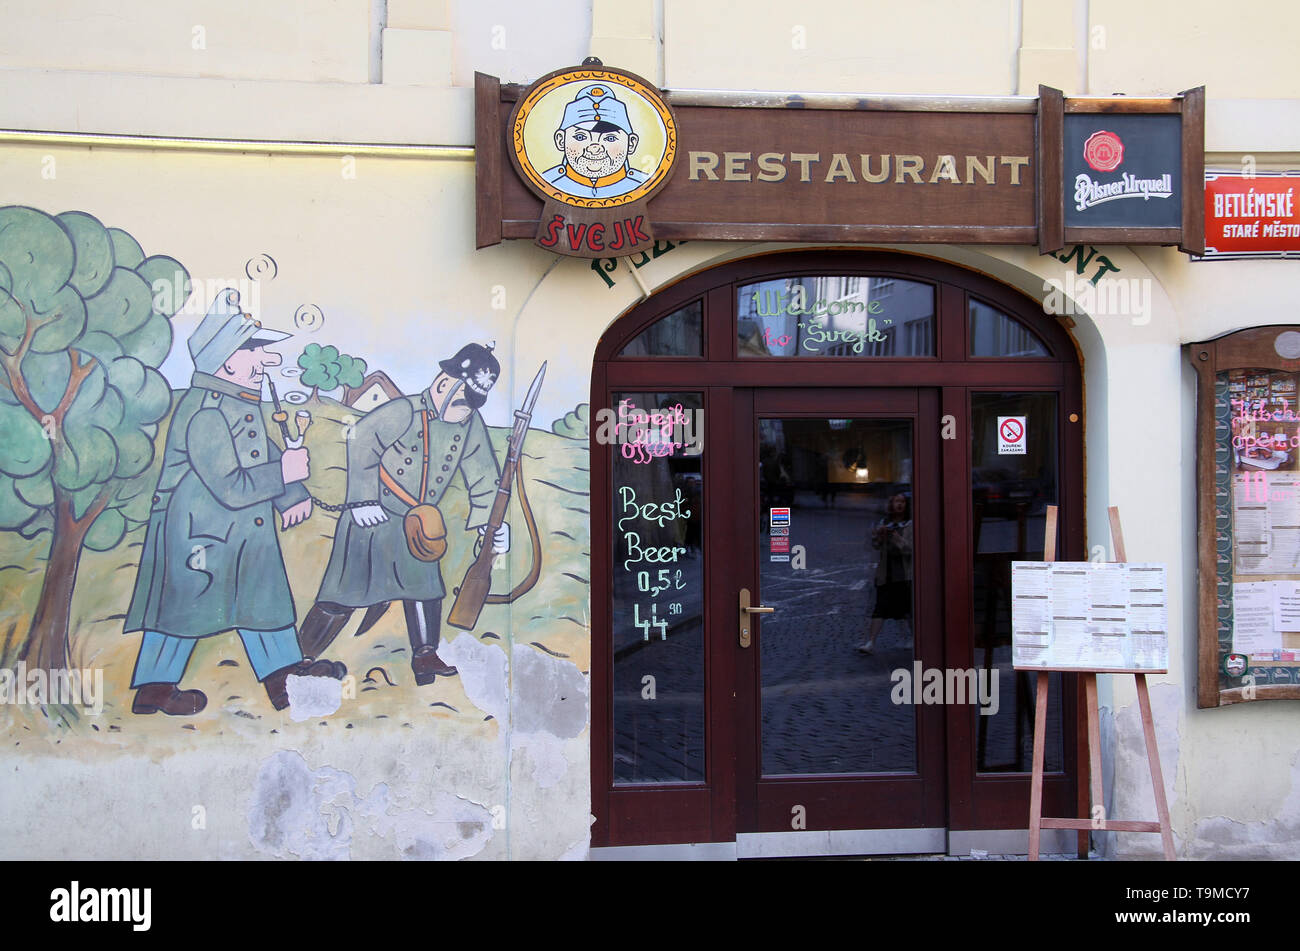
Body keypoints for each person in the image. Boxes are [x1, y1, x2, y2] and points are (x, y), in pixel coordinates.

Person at [124, 289, 345, 715]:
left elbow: (262, 456)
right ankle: (153, 690)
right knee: (181, 611)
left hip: (243, 532)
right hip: (198, 535)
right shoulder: (206, 411)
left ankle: (284, 681)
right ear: (226, 361)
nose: (267, 361)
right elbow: (229, 484)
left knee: (263, 600)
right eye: (255, 351)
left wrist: (291, 494)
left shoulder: (237, 404)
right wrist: (287, 473)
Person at [297, 343, 510, 685]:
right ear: (444, 385)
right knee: (344, 593)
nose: (465, 412)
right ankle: (301, 657)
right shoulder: (404, 411)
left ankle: (425, 657)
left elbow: (483, 472)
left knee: (424, 588)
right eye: (461, 403)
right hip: (374, 517)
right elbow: (361, 438)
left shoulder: (470, 424)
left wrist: (491, 525)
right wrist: (362, 500)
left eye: (472, 405)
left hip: (418, 524)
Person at [542, 83, 649, 200]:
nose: (594, 148)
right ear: (560, 140)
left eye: (610, 138)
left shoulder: (643, 184)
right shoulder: (546, 182)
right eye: (580, 137)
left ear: (631, 144)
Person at [858, 493, 913, 654]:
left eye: (902, 502)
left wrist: (896, 538)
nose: (899, 505)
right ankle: (871, 642)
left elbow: (909, 550)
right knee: (880, 607)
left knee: (904, 608)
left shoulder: (909, 525)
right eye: (896, 501)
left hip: (903, 573)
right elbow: (874, 546)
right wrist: (879, 535)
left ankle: (910, 637)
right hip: (885, 571)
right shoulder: (884, 522)